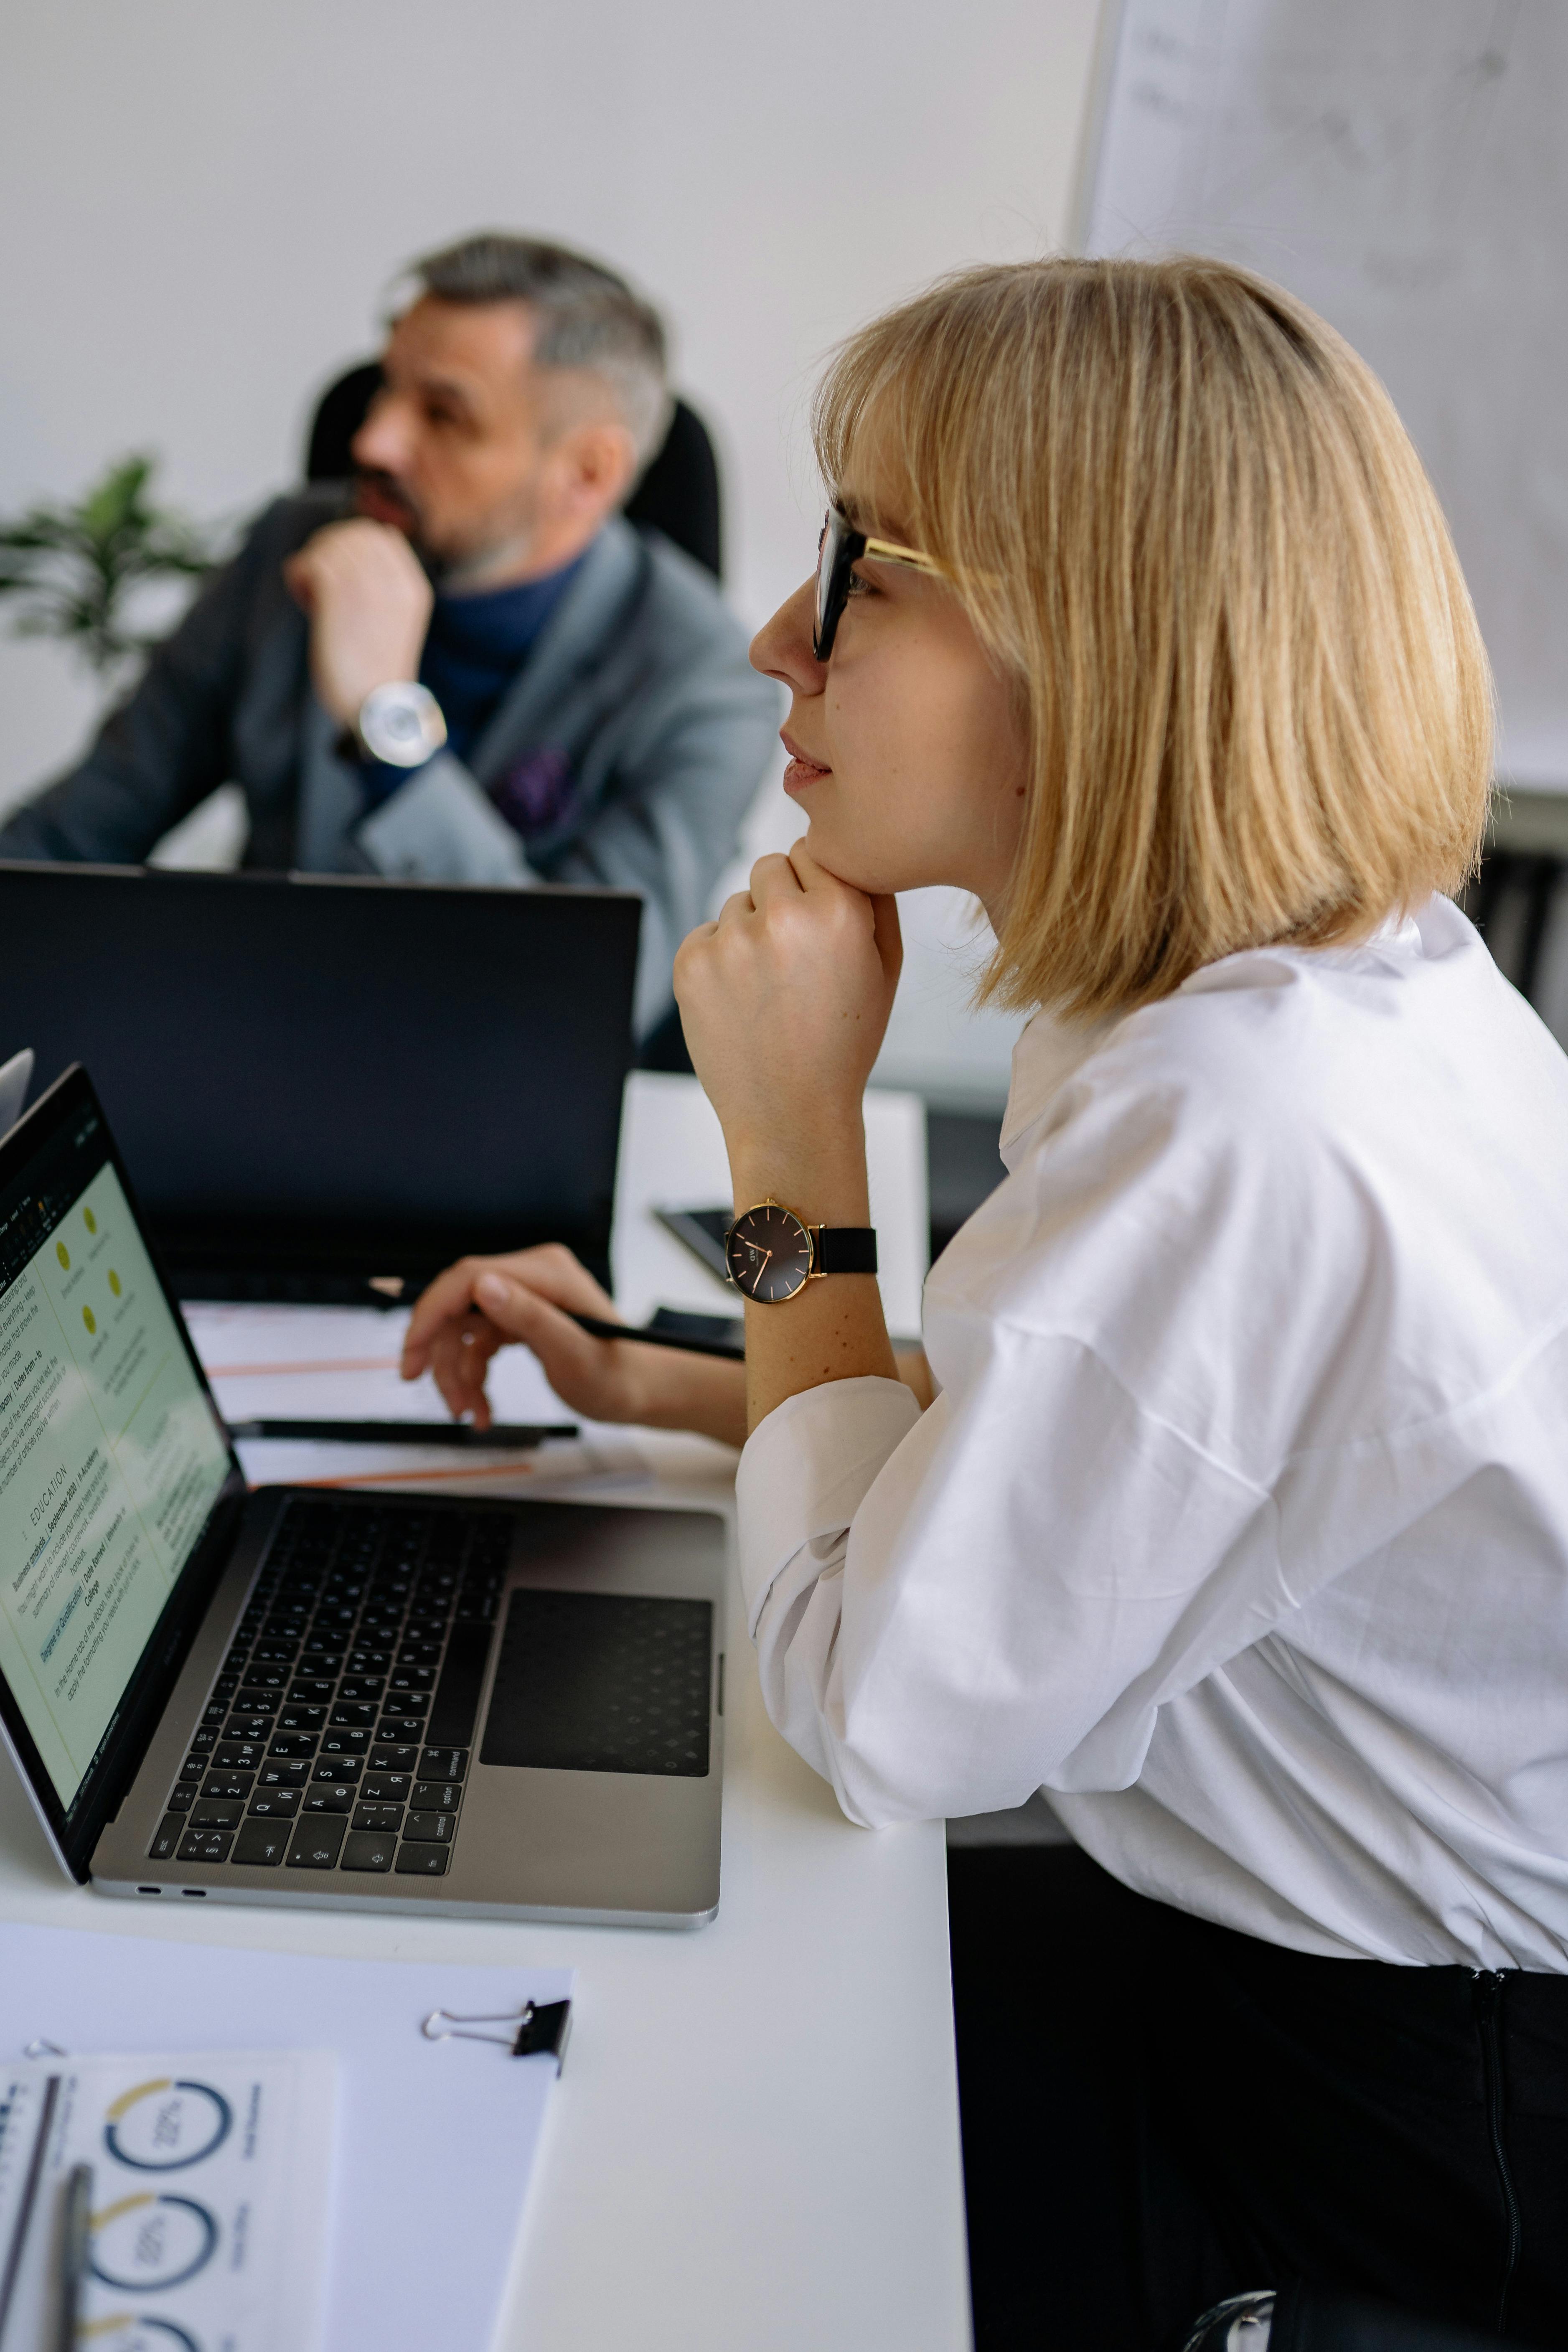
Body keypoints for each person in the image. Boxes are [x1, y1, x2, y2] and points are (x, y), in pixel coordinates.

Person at [399, 257, 1568, 2347]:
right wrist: (667, 1382)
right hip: (1305, 1970)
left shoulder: (1240, 1126)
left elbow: (876, 1716)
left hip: (1402, 2112)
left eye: (862, 569)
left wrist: (787, 1153)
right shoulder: (1313, 987)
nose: (777, 637)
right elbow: (1085, 1441)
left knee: (651, 2162)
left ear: (1088, 639)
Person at [0, 233, 778, 1037]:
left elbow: (582, 1006)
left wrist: (387, 716)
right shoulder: (290, 546)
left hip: (477, 1084)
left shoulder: (709, 686)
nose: (372, 441)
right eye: (387, 390)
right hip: (244, 1037)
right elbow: (67, 839)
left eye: (443, 414)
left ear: (587, 473)